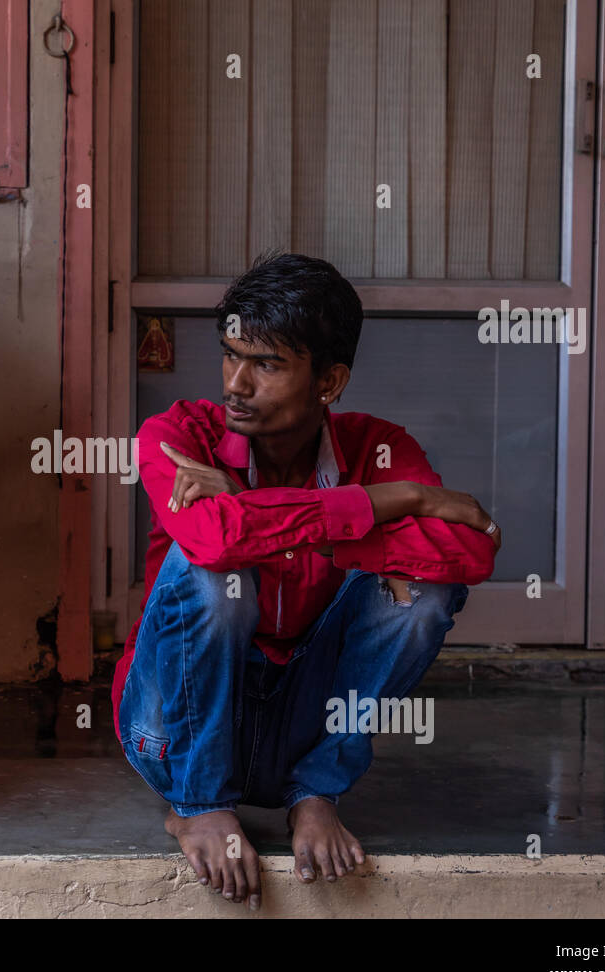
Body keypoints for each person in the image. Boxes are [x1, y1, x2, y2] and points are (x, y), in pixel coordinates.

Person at [111, 252, 501, 911]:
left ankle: (316, 790)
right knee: (214, 576)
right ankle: (197, 803)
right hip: (174, 726)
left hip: (300, 723)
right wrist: (389, 502)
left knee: (420, 593)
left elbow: (469, 549)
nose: (236, 382)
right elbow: (210, 541)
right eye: (231, 354)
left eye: (266, 364)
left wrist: (248, 507)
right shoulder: (178, 436)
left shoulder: (376, 448)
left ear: (330, 380)